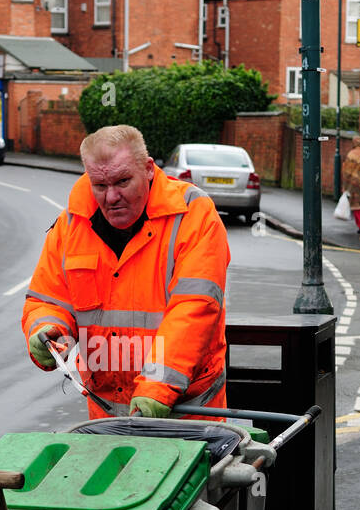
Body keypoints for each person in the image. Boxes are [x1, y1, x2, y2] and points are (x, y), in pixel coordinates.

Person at [22, 124, 230, 419]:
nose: (111, 197)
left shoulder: (193, 216)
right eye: (100, 186)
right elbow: (48, 300)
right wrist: (46, 330)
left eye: (122, 182)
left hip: (187, 414)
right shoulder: (71, 225)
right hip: (108, 417)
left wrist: (158, 386)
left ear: (148, 169)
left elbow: (194, 309)